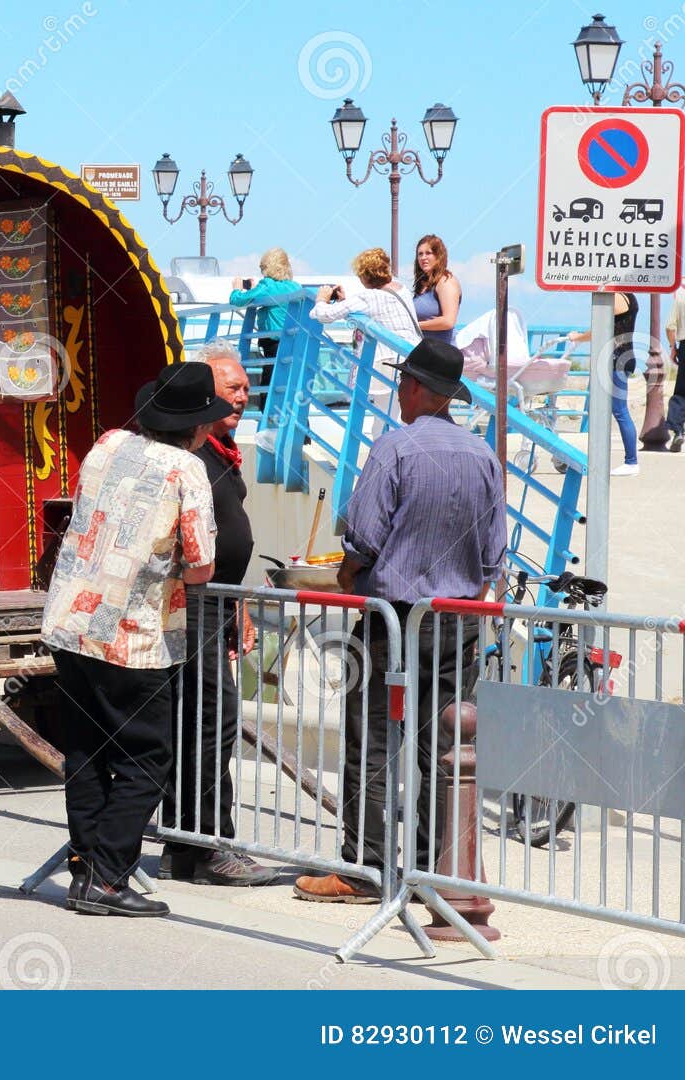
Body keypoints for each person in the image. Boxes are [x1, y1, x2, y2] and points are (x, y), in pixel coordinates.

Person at [293, 339, 506, 903]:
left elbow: (362, 540)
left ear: (414, 387)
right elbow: (491, 559)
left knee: (373, 742)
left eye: (403, 383)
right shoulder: (482, 455)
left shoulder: (394, 449)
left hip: (393, 621)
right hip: (456, 620)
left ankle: (366, 868)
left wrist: (346, 578)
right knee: (446, 748)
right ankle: (435, 870)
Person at [42, 362, 232, 917]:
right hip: (131, 634)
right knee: (147, 756)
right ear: (198, 427)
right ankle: (107, 877)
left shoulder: (107, 444)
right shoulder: (187, 468)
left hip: (72, 619)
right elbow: (200, 565)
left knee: (86, 751)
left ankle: (85, 869)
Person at [158, 343, 273, 887]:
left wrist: (239, 606)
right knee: (208, 722)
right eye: (233, 388)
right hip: (191, 607)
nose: (243, 397)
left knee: (206, 722)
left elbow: (229, 541)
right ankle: (203, 846)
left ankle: (189, 847)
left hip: (217, 604)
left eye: (247, 388)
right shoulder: (191, 455)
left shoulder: (221, 451)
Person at [311, 248, 421, 429]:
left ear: (365, 275)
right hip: (414, 359)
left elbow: (323, 315)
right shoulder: (402, 290)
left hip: (391, 364)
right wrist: (344, 301)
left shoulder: (370, 297)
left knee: (383, 422)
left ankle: (387, 455)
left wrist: (321, 299)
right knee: (402, 418)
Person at [569, 288, 640, 476]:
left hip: (616, 359)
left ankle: (631, 461)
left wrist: (578, 337)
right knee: (605, 409)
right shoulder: (630, 296)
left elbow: (600, 327)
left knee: (619, 410)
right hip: (620, 357)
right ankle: (602, 459)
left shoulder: (616, 297)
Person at [229, 247, 302, 389]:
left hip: (274, 344)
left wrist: (236, 288)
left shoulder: (267, 285)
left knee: (269, 387)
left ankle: (267, 410)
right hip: (294, 342)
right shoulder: (295, 287)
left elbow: (238, 300)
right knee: (288, 385)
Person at [411, 234, 461, 345]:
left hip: (442, 355)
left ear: (438, 256)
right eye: (420, 254)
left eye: (428, 253)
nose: (423, 257)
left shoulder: (446, 281)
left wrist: (414, 326)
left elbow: (448, 321)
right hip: (424, 353)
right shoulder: (423, 285)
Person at [660, 286, 685, 453]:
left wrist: (673, 347)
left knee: (682, 391)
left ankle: (678, 430)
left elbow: (670, 326)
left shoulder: (681, 296)